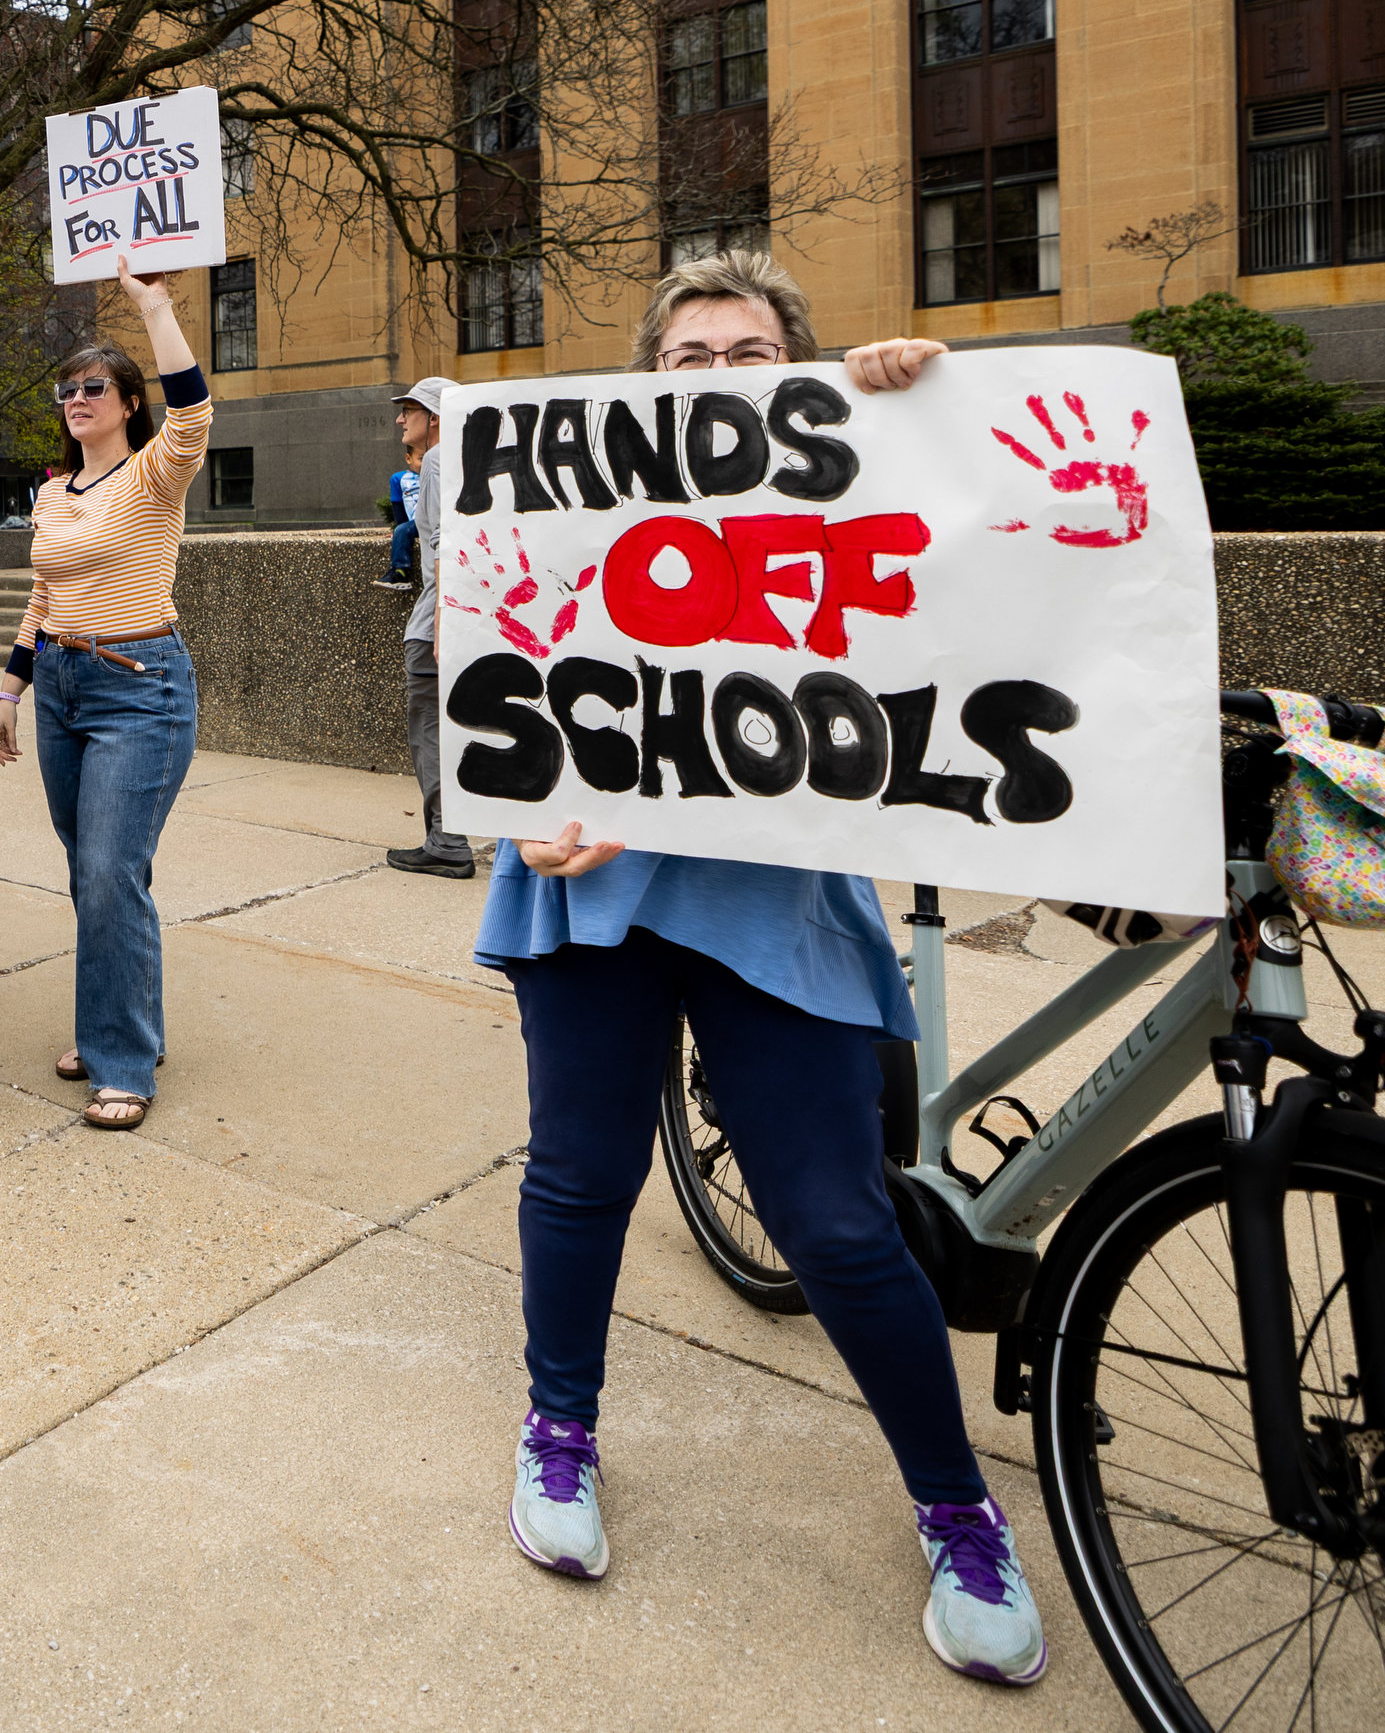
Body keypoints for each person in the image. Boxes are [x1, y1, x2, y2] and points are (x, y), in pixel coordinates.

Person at [476, 250, 1043, 1686]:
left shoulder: (854, 485)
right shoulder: (579, 496)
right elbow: (508, 660)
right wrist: (528, 806)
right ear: (646, 388)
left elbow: (993, 557)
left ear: (795, 376)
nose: (717, 377)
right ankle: (559, 1427)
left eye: (749, 355)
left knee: (839, 1221)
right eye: (688, 359)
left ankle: (957, 1506)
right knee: (582, 1171)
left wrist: (926, 407)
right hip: (591, 887)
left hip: (773, 902)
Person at [0, 257, 210, 1132]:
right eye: (66, 390)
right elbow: (43, 599)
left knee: (112, 873)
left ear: (124, 402)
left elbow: (192, 413)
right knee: (94, 875)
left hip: (139, 685)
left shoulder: (155, 477)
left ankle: (120, 1060)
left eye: (93, 387)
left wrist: (154, 309)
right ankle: (120, 1023)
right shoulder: (51, 495)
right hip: (65, 689)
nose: (76, 399)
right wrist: (10, 691)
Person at [384, 377, 473, 879]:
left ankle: (447, 842)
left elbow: (445, 543)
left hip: (439, 618)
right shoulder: (470, 460)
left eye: (410, 410)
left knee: (431, 729)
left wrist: (440, 618)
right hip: (466, 615)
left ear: (435, 417)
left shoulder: (440, 459)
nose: (401, 418)